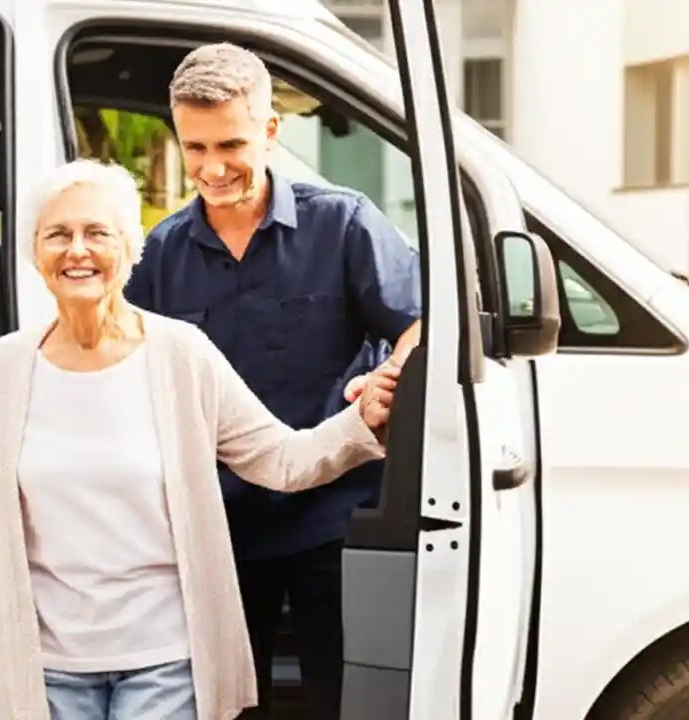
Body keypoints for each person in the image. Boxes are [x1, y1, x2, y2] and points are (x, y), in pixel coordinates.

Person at [0, 159, 403, 720]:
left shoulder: (180, 355)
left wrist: (359, 423)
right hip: (51, 667)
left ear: (130, 249)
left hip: (168, 659)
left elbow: (278, 460)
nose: (77, 251)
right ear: (36, 254)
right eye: (57, 235)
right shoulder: (8, 364)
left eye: (98, 233)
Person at [124, 43, 423, 719]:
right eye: (193, 147)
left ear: (270, 132)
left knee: (342, 699)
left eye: (230, 143)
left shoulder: (343, 223)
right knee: (227, 704)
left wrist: (393, 375)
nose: (211, 167)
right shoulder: (160, 254)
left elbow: (423, 320)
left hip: (333, 516)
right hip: (218, 526)